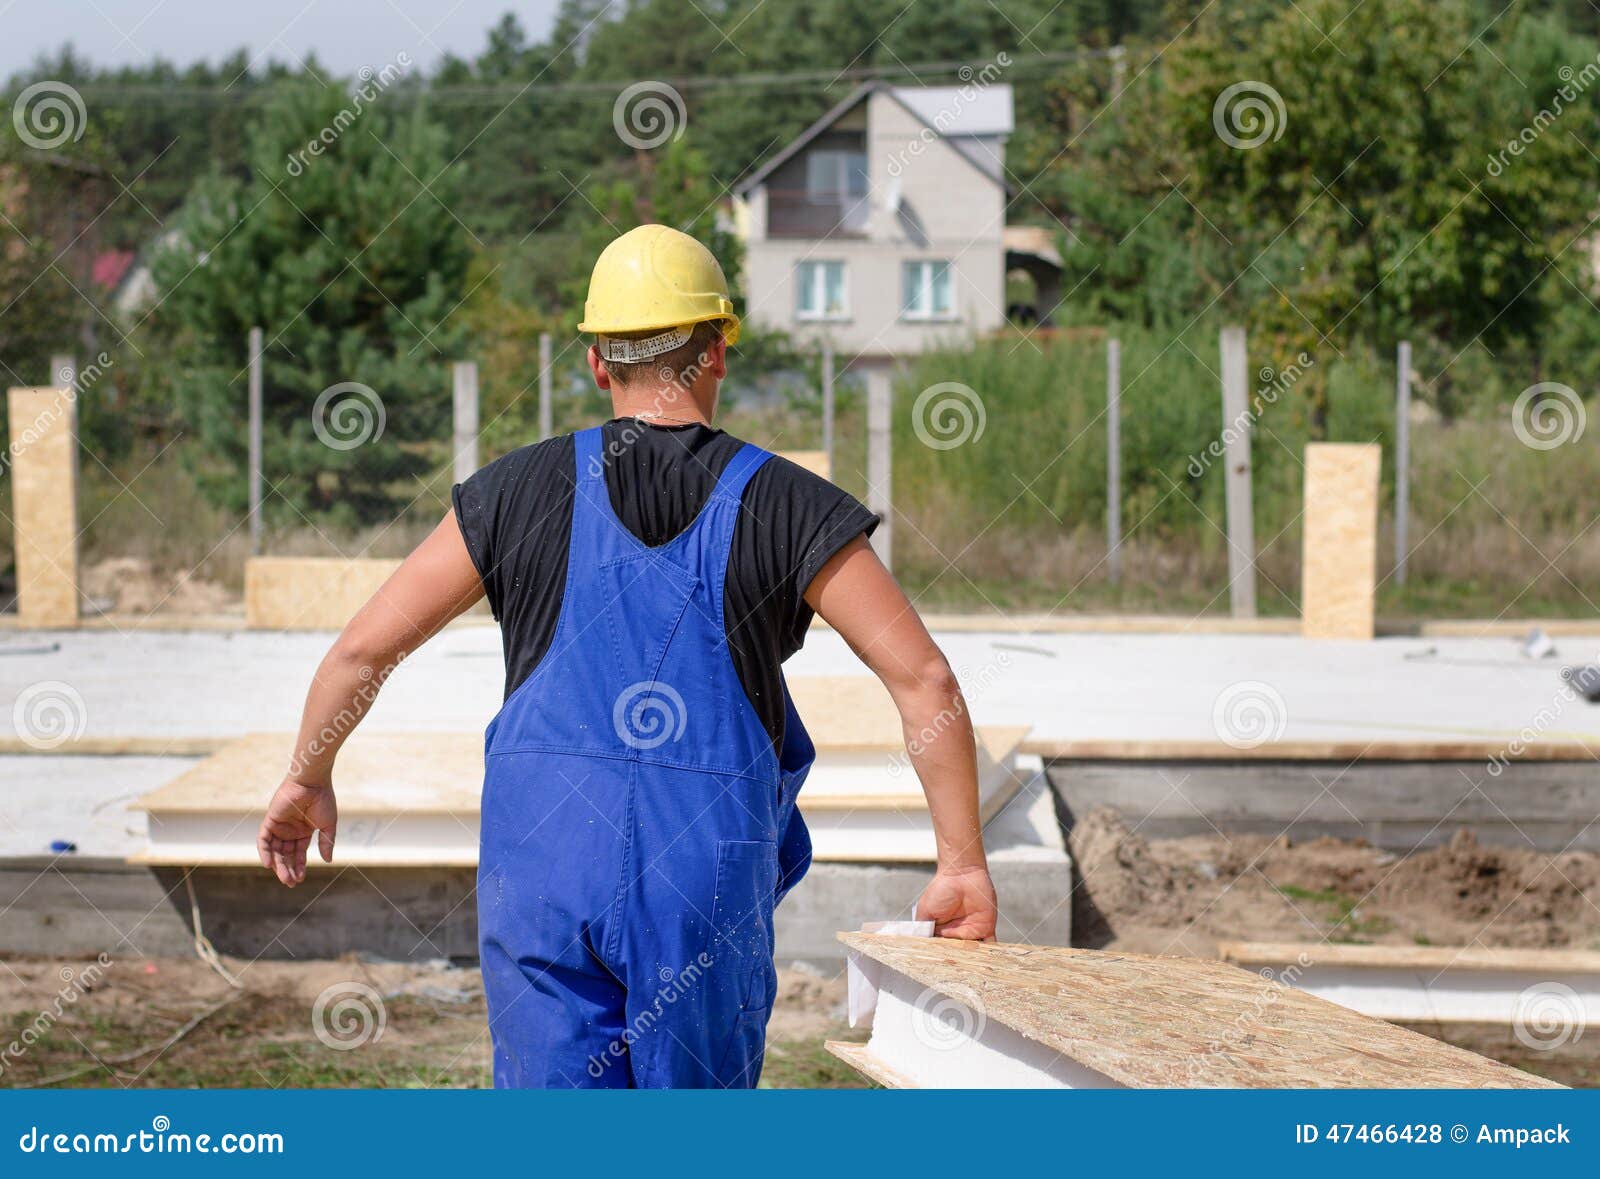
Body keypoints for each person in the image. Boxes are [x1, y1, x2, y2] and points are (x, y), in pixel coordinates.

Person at [257, 224, 997, 1088]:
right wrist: (961, 865)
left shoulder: (512, 492)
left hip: (542, 872)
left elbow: (361, 650)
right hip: (701, 887)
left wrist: (308, 774)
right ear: (719, 350)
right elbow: (925, 680)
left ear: (598, 363)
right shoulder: (791, 506)